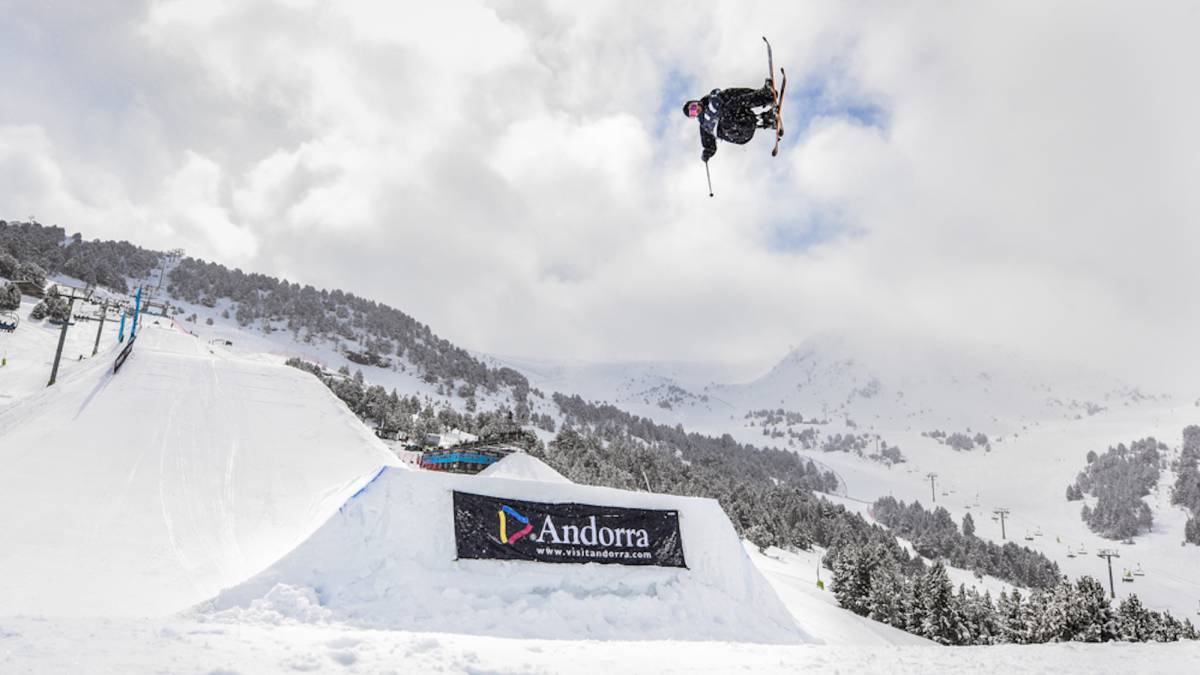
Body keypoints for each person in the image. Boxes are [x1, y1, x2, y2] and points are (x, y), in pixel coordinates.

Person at [682, 79, 776, 163]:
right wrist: (706, 154)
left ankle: (764, 96)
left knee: (728, 95)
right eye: (693, 113)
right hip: (739, 134)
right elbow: (710, 146)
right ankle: (764, 120)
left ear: (696, 102)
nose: (696, 110)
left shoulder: (713, 98)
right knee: (725, 117)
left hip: (743, 115)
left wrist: (720, 98)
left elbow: (735, 95)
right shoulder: (704, 126)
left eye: (693, 107)